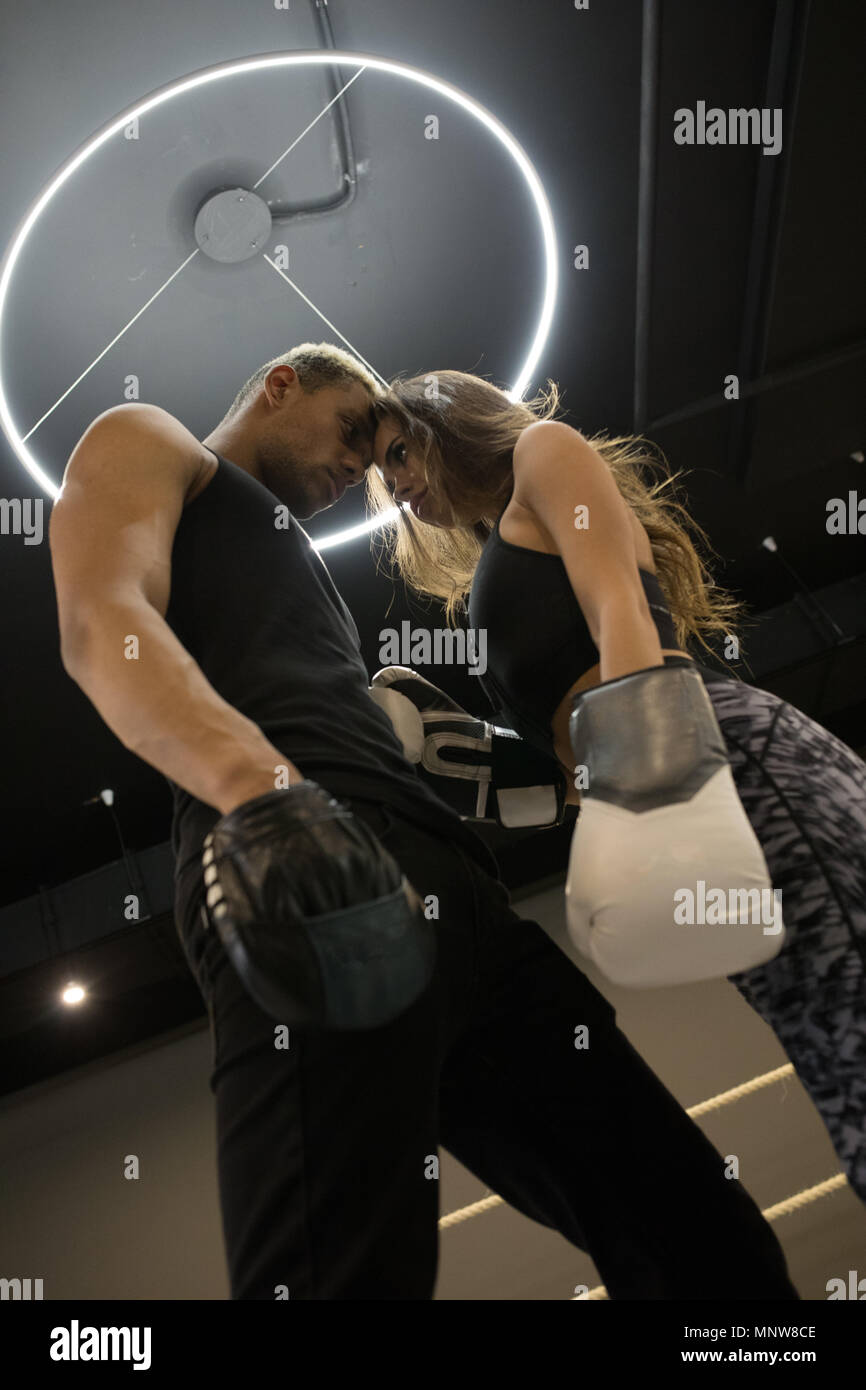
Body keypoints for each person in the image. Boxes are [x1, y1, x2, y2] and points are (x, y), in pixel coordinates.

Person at [49, 342, 798, 1300]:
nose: (362, 466)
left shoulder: (299, 583)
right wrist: (265, 794)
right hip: (305, 877)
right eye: (354, 430)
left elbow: (505, 771)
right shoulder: (152, 441)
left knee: (705, 1239)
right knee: (339, 1276)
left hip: (462, 902)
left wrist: (463, 753)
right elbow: (101, 620)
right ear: (283, 384)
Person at [369, 368, 866, 1205]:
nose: (398, 487)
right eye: (384, 478)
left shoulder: (542, 452)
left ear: (445, 421)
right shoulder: (499, 551)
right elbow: (576, 752)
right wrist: (487, 767)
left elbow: (621, 614)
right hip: (668, 773)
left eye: (400, 454)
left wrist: (656, 801)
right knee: (823, 1037)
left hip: (723, 759)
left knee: (848, 1010)